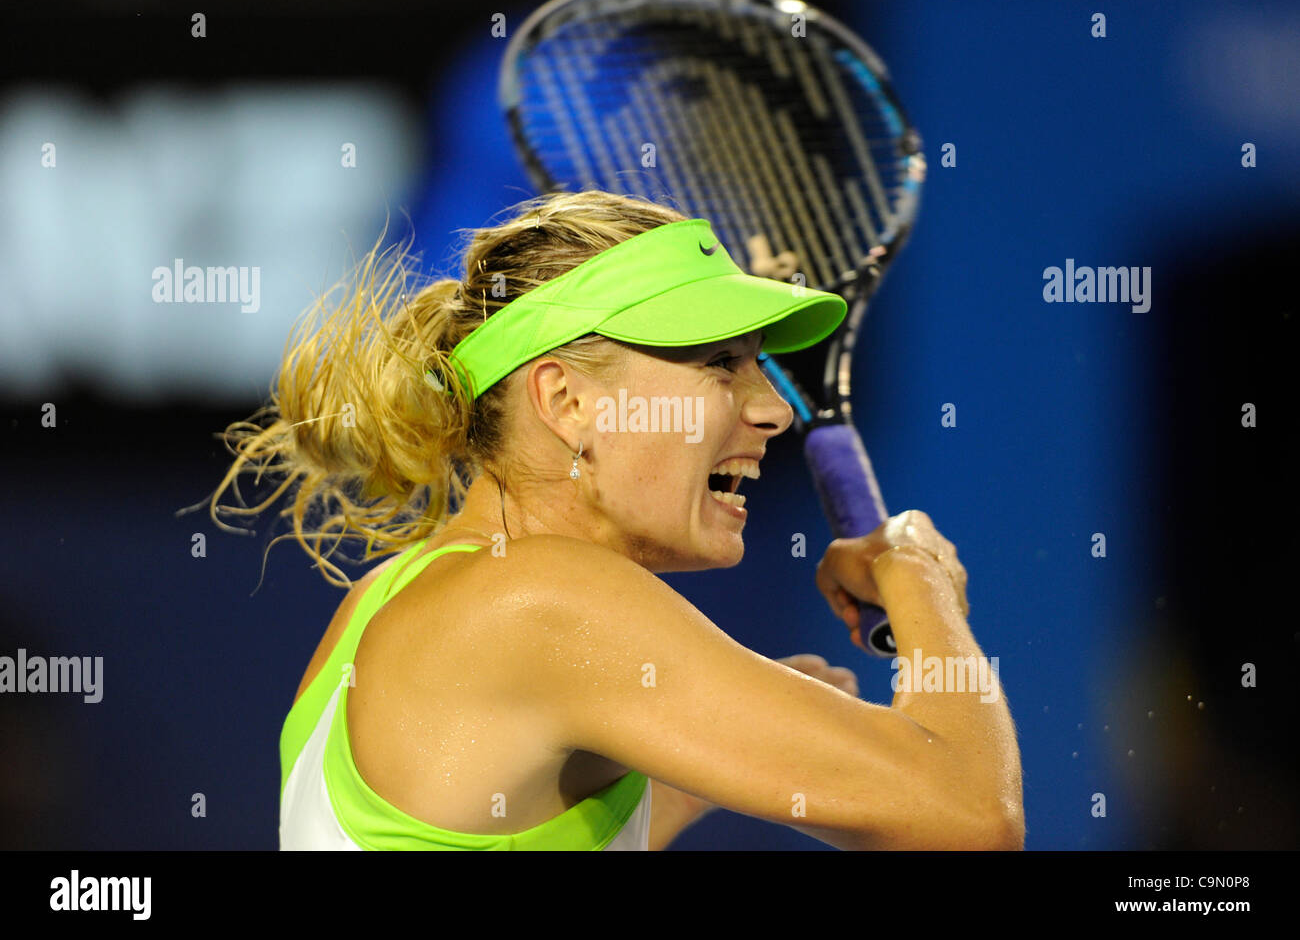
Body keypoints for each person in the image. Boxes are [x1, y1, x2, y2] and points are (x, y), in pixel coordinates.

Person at [210, 190, 1024, 850]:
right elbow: (971, 819)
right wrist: (920, 578)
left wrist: (696, 767)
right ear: (567, 401)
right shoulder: (543, 599)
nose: (774, 407)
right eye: (719, 364)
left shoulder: (395, 593)